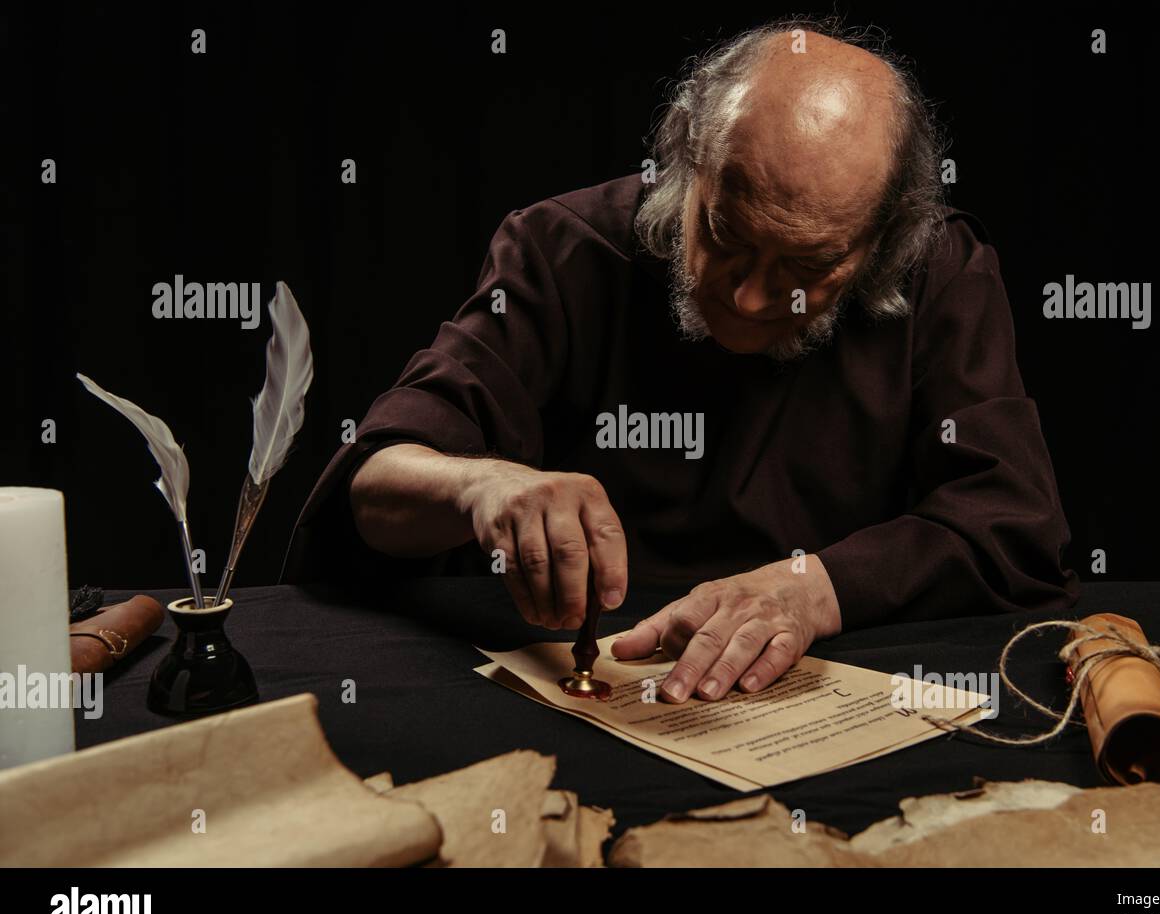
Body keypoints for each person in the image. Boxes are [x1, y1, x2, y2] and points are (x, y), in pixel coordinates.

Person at [282, 19, 1080, 704]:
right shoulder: (560, 252)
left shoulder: (940, 272)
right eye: (726, 236)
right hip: (577, 689)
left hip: (834, 693)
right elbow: (373, 485)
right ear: (686, 160)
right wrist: (481, 485)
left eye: (806, 270)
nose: (750, 298)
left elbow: (1011, 527)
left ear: (883, 244)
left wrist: (812, 588)